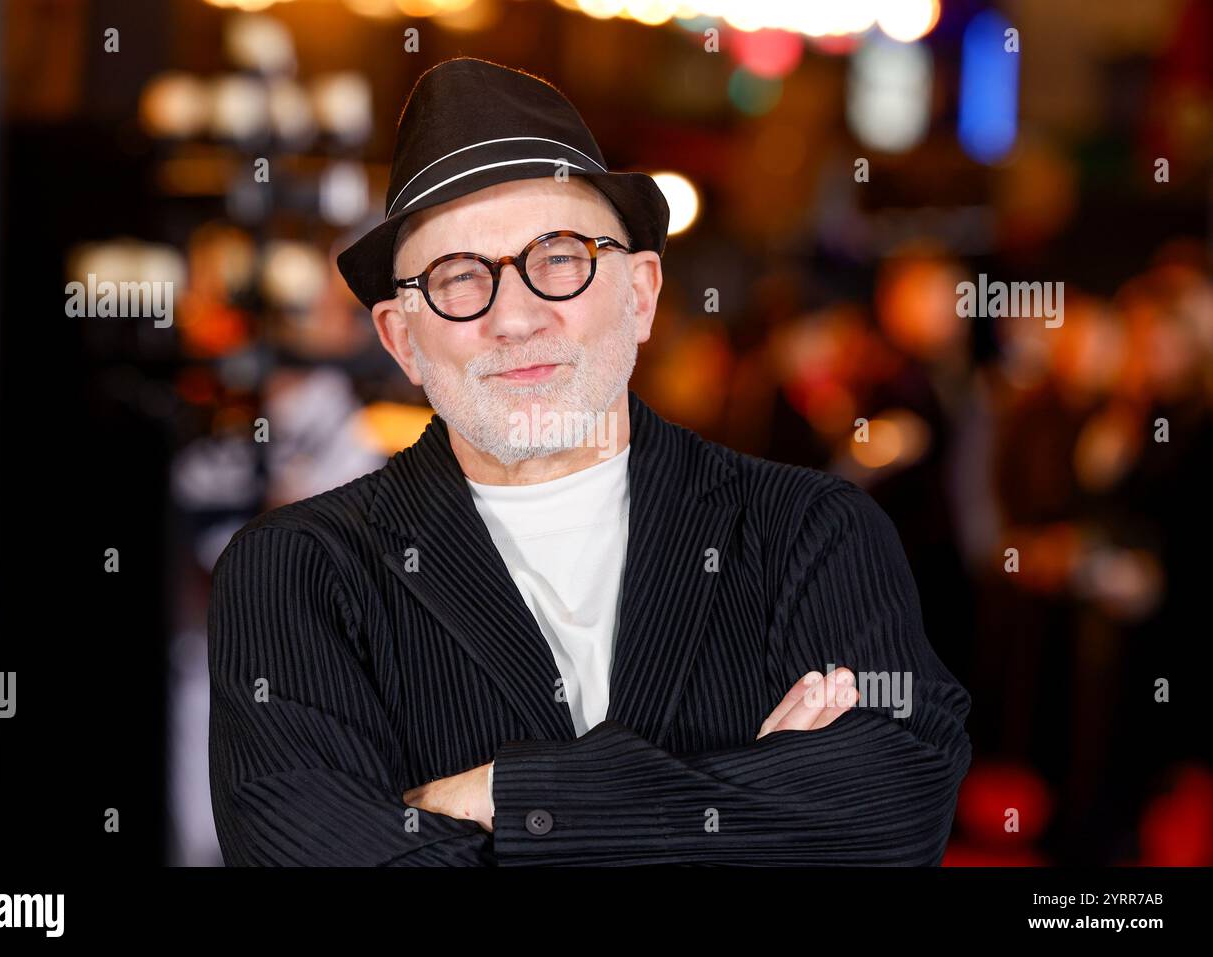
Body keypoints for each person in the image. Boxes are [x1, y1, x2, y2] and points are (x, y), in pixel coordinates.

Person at [207, 56, 972, 866]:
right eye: (458, 277)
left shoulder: (811, 531)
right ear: (402, 339)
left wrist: (513, 797)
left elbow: (895, 814)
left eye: (560, 257)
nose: (515, 316)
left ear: (640, 294)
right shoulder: (293, 571)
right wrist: (746, 811)